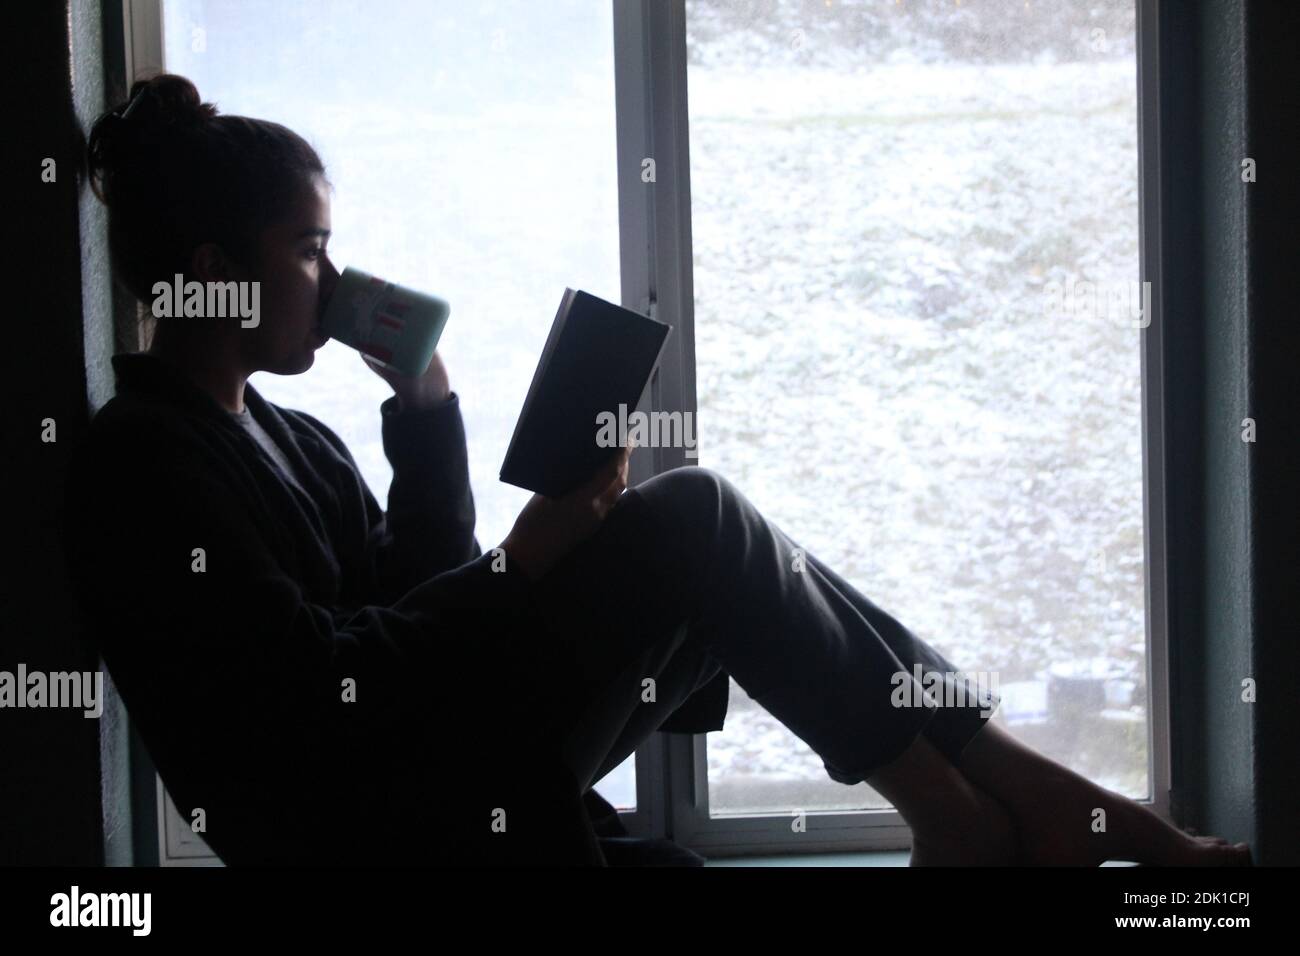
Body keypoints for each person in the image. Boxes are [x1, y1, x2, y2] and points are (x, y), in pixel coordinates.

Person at [64, 74, 1251, 868]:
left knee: (710, 531)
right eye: (310, 247)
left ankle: (982, 787)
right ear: (215, 269)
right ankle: (979, 804)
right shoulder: (142, 463)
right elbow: (312, 699)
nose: (335, 277)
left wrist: (426, 419)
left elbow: (413, 588)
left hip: (431, 754)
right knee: (693, 518)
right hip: (365, 818)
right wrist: (525, 561)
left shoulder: (294, 435)